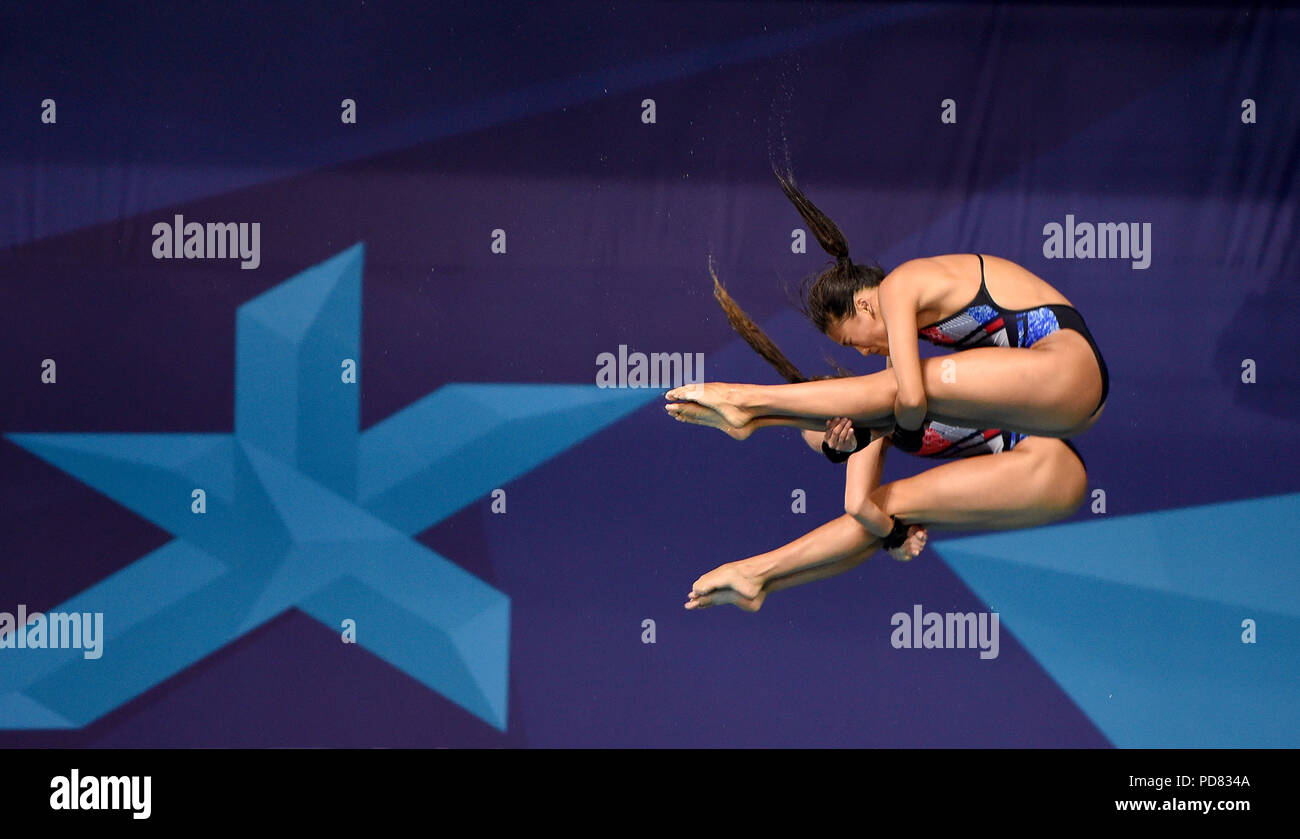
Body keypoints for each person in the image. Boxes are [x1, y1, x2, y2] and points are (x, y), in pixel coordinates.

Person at [678, 274, 1088, 612]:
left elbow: (858, 505)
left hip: (1046, 459)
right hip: (1038, 473)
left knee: (884, 511)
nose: (833, 446)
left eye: (824, 433)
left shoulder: (880, 387)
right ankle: (760, 579)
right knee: (885, 519)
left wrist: (893, 533)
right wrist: (891, 532)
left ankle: (758, 569)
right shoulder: (886, 393)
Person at [666, 166, 1109, 447]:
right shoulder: (909, 314)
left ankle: (746, 399)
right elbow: (898, 408)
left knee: (899, 388)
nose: (860, 353)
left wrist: (897, 424)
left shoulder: (901, 285)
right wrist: (853, 440)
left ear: (865, 304)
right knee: (885, 398)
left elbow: (911, 399)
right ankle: (759, 421)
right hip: (1065, 408)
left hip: (1068, 368)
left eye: (851, 340)